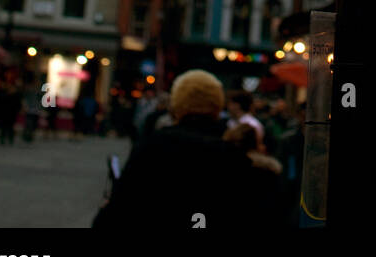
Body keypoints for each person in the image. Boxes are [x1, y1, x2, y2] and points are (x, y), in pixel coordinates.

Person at [92, 70, 281, 231]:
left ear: (177, 105)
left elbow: (120, 209)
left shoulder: (155, 145)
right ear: (217, 106)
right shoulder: (231, 151)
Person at [0, 78, 22, 145]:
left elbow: (18, 104)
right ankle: (3, 137)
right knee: (4, 126)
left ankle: (10, 138)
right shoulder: (2, 93)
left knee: (10, 126)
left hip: (11, 113)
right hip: (4, 113)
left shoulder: (15, 95)